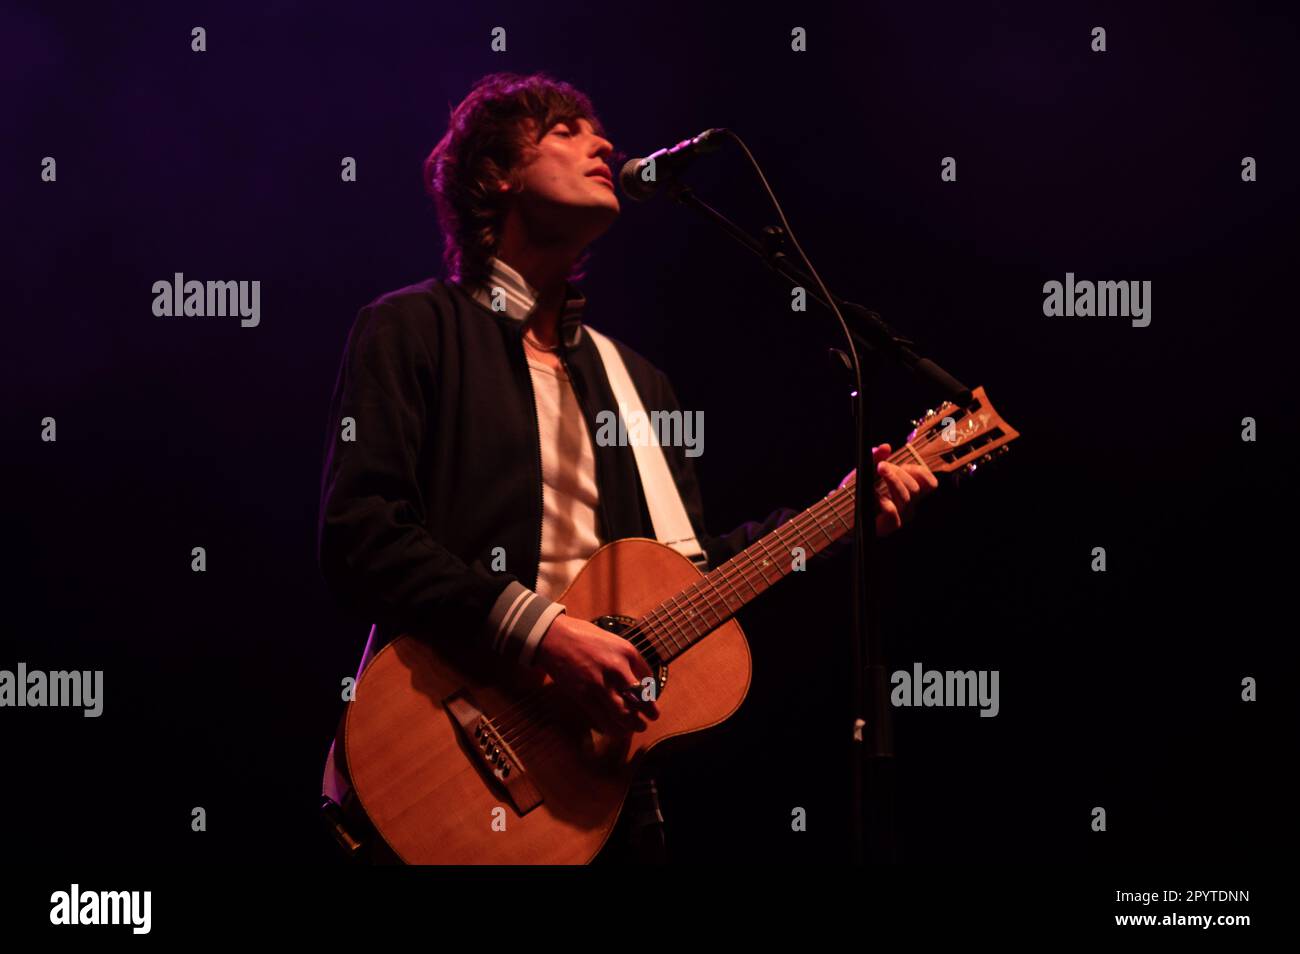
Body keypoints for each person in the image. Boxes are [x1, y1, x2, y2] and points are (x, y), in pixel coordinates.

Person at [316, 71, 937, 864]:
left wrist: (838, 514)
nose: (604, 143)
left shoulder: (637, 382)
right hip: (445, 746)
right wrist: (546, 636)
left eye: (599, 130)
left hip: (600, 793)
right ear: (492, 175)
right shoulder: (412, 329)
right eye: (566, 131)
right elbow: (360, 535)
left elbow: (688, 575)